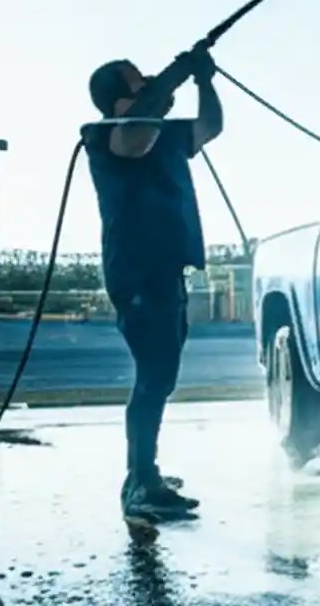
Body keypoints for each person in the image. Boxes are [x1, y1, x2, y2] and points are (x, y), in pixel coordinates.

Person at [81, 41, 223, 525]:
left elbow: (210, 128)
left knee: (160, 376)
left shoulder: (160, 129)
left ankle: (142, 474)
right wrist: (175, 76)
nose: (147, 84)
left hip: (166, 270)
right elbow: (136, 137)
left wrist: (203, 80)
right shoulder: (110, 135)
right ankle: (142, 482)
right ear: (117, 96)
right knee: (154, 376)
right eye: (137, 81)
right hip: (138, 273)